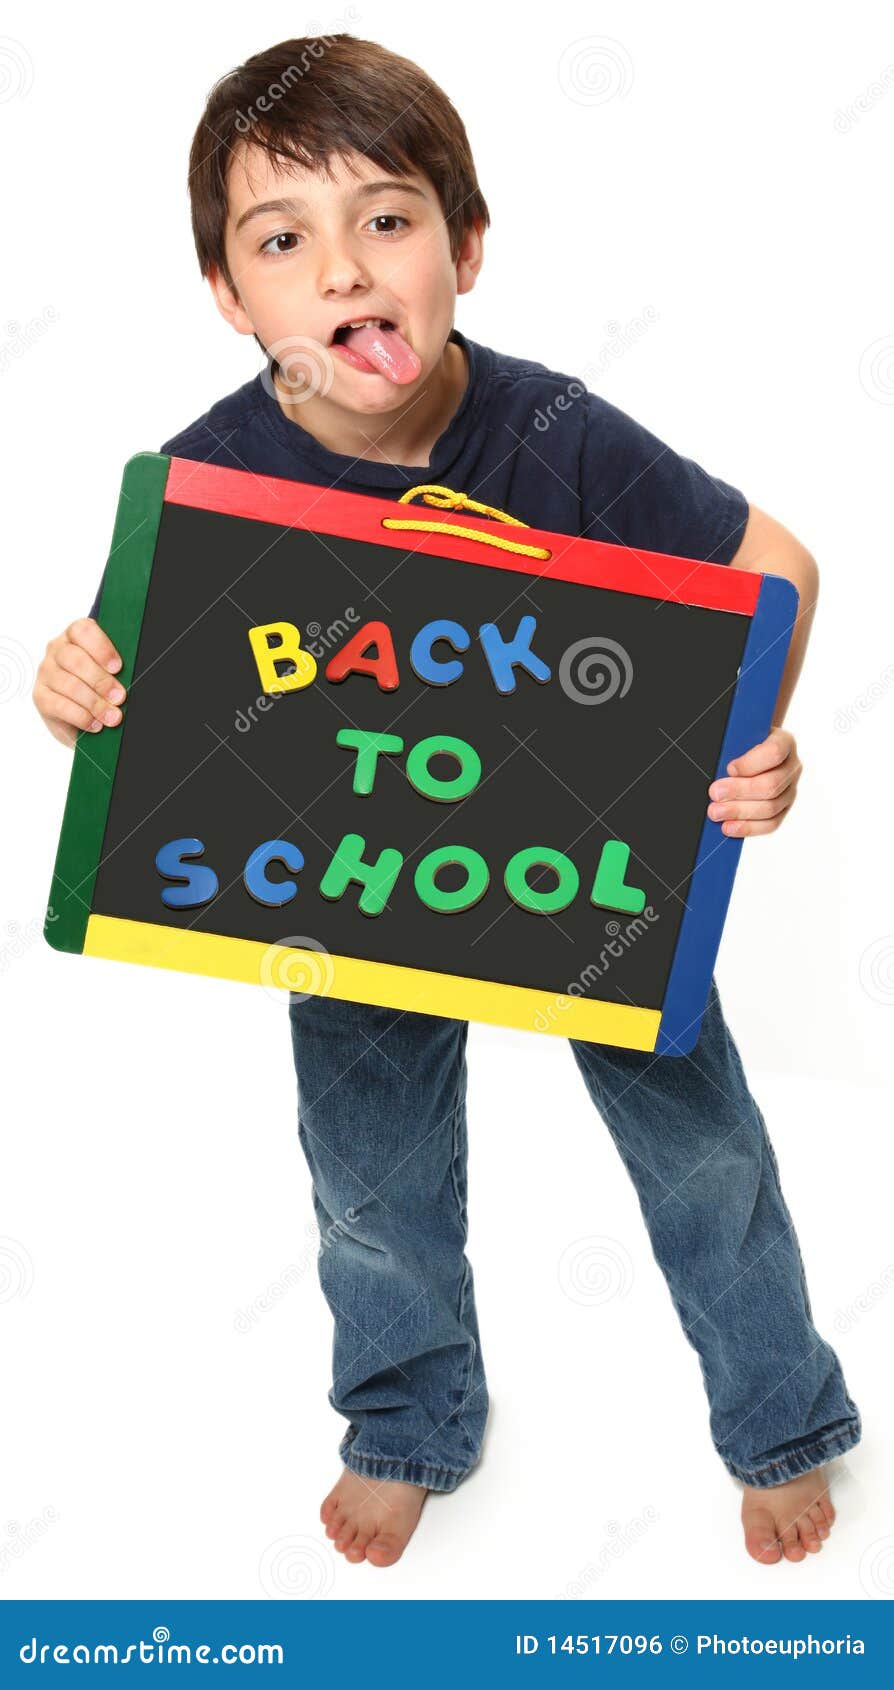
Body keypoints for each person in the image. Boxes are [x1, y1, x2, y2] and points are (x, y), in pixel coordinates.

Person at [32, 34, 860, 1570]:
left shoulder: (553, 434)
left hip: (589, 882)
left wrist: (748, 748)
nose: (342, 266)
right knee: (370, 1172)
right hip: (341, 891)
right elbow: (138, 683)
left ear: (464, 248)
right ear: (229, 293)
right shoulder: (211, 480)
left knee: (704, 1150)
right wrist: (71, 683)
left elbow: (775, 568)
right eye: (284, 240)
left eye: (387, 219)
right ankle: (407, 1417)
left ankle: (777, 1413)